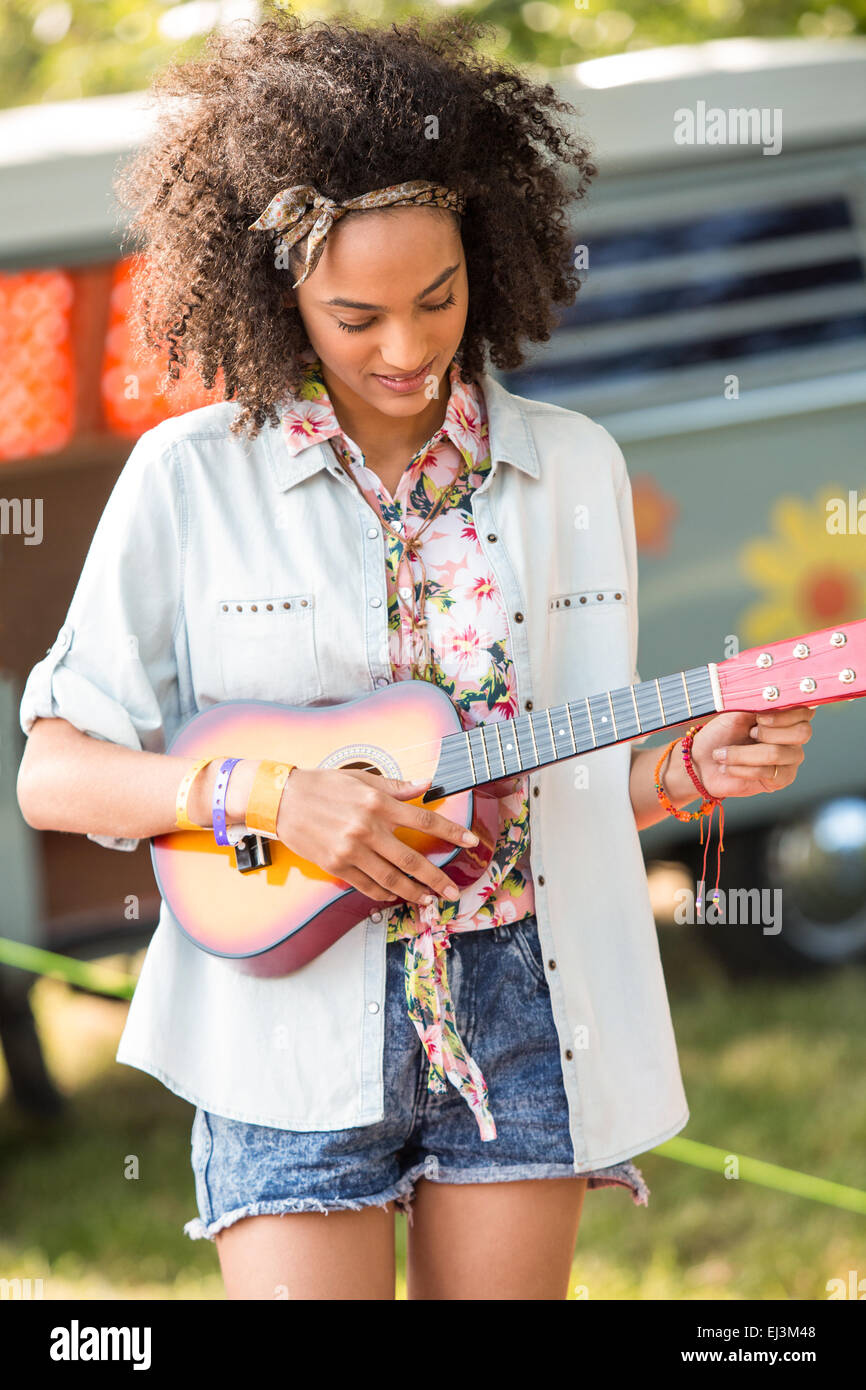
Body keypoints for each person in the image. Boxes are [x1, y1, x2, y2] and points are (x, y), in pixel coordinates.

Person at [16, 10, 814, 1301]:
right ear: (276, 294)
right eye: (355, 314)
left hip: (521, 999)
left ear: (484, 260)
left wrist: (685, 772)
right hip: (282, 1023)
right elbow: (54, 773)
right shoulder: (189, 476)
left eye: (436, 298)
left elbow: (566, 785)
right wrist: (265, 794)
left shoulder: (570, 466)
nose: (405, 348)